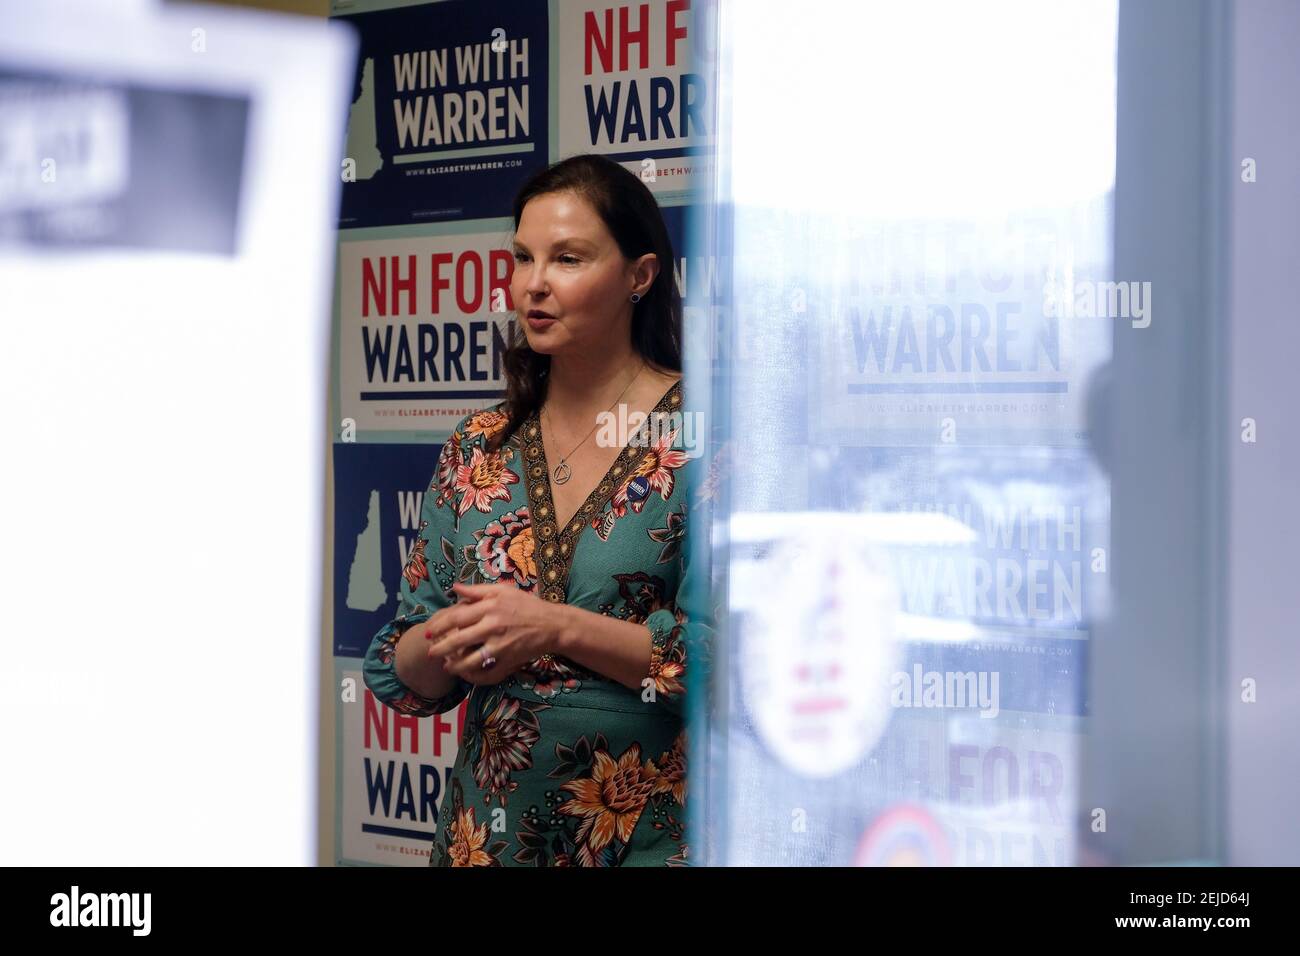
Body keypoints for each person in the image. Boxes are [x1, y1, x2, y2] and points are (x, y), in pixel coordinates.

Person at [362, 153, 712, 867]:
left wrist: (553, 626)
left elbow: (723, 668)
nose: (534, 283)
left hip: (644, 842)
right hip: (484, 840)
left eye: (569, 258)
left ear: (639, 277)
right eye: (522, 258)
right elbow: (403, 671)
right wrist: (450, 638)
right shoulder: (479, 446)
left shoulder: (710, 437)